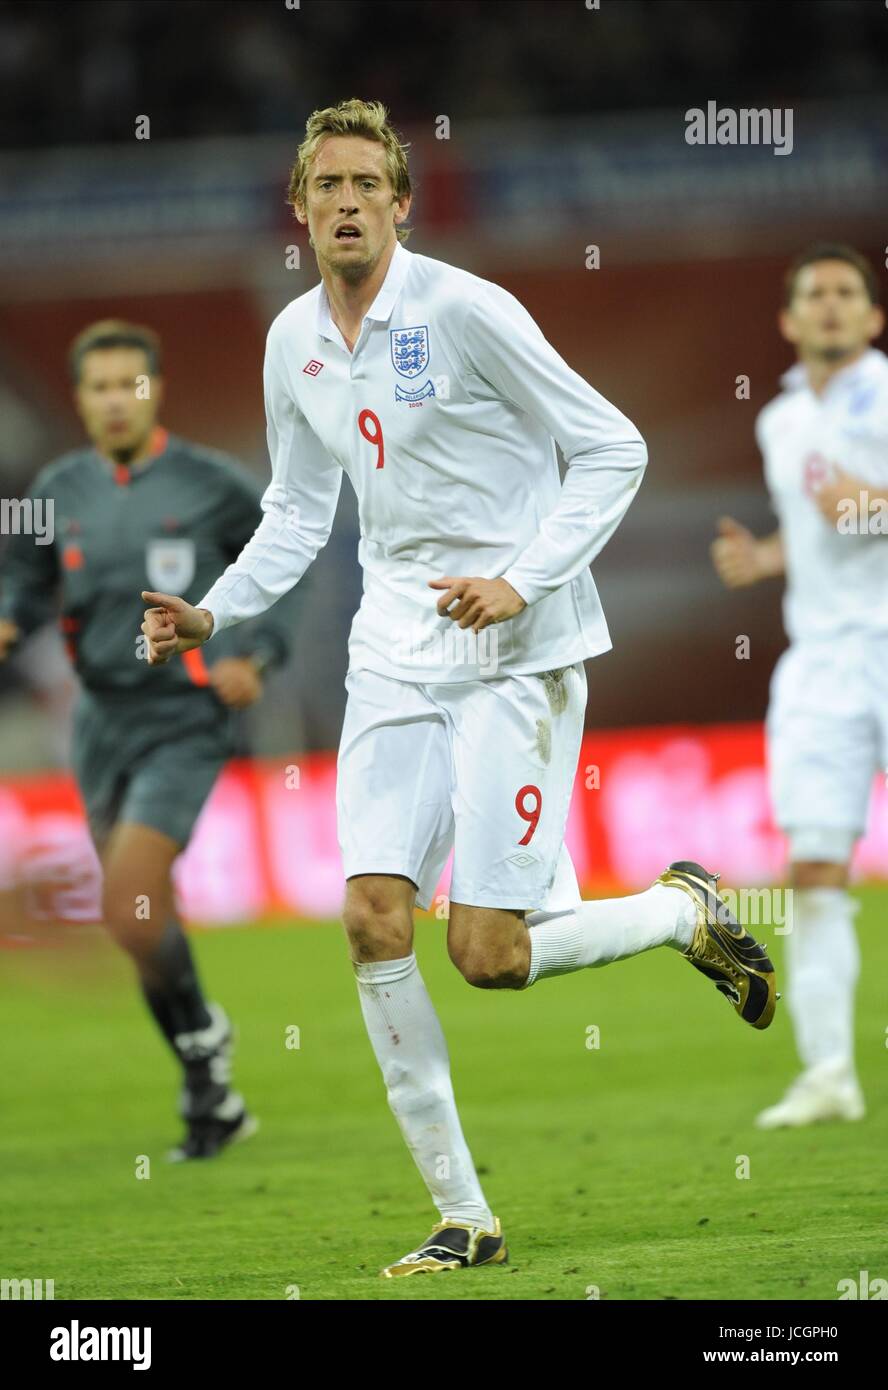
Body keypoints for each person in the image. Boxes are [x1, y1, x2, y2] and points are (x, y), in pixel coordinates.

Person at [143, 99, 776, 1274]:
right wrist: (212, 609)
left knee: (490, 952)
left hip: (513, 653)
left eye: (364, 186)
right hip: (391, 650)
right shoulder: (296, 340)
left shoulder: (469, 310)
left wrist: (523, 580)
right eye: (324, 184)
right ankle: (463, 1218)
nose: (344, 202)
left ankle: (683, 911)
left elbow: (614, 447)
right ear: (299, 205)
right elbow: (295, 509)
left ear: (399, 204)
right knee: (371, 916)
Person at [0, 319, 296, 1159]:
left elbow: (285, 558)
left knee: (129, 894)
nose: (114, 401)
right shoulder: (50, 488)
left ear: (154, 390)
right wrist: (7, 623)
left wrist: (262, 657)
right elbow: (23, 575)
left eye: (130, 384)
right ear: (80, 397)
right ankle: (207, 1067)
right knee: (139, 918)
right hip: (97, 720)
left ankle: (203, 1047)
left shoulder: (213, 482)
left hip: (184, 716)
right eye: (98, 387)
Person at [712, 243, 886, 1129]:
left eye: (845, 292)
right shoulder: (779, 418)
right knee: (814, 865)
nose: (828, 305)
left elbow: (864, 510)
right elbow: (817, 530)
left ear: (872, 314)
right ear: (788, 320)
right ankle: (829, 1074)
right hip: (821, 659)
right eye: (812, 294)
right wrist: (766, 558)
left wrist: (872, 503)